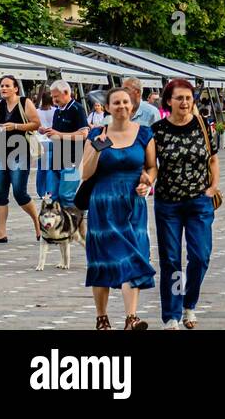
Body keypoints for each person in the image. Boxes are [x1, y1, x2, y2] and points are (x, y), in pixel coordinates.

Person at [81, 86, 156, 330]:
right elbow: (85, 172)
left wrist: (148, 181)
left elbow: (152, 167)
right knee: (102, 260)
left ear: (132, 106)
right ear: (108, 107)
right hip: (104, 202)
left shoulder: (144, 134)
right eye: (116, 103)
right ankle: (101, 317)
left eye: (125, 102)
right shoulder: (96, 134)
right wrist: (97, 148)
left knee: (134, 255)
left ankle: (131, 318)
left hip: (133, 203)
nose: (121, 107)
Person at [152, 78, 219, 329]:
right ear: (168, 101)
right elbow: (151, 164)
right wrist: (146, 180)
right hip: (168, 203)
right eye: (179, 98)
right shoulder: (157, 130)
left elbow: (213, 160)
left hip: (198, 202)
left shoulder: (203, 126)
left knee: (200, 256)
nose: (184, 102)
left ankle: (189, 303)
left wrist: (212, 188)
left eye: (188, 97)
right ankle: (172, 314)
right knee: (170, 260)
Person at [0, 75, 41, 243]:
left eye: (7, 85)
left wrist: (16, 126)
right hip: (1, 153)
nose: (3, 88)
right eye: (2, 85)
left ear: (16, 88)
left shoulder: (25, 102)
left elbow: (36, 123)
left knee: (19, 192)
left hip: (20, 154)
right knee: (0, 193)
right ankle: (1, 232)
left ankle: (38, 224)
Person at [41, 80, 88, 208]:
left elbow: (84, 134)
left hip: (72, 158)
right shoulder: (58, 111)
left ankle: (74, 224)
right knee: (54, 197)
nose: (54, 99)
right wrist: (47, 131)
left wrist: (59, 134)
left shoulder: (77, 109)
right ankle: (62, 225)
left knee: (66, 196)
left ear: (66, 93)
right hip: (57, 158)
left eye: (56, 96)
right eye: (52, 96)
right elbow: (57, 133)